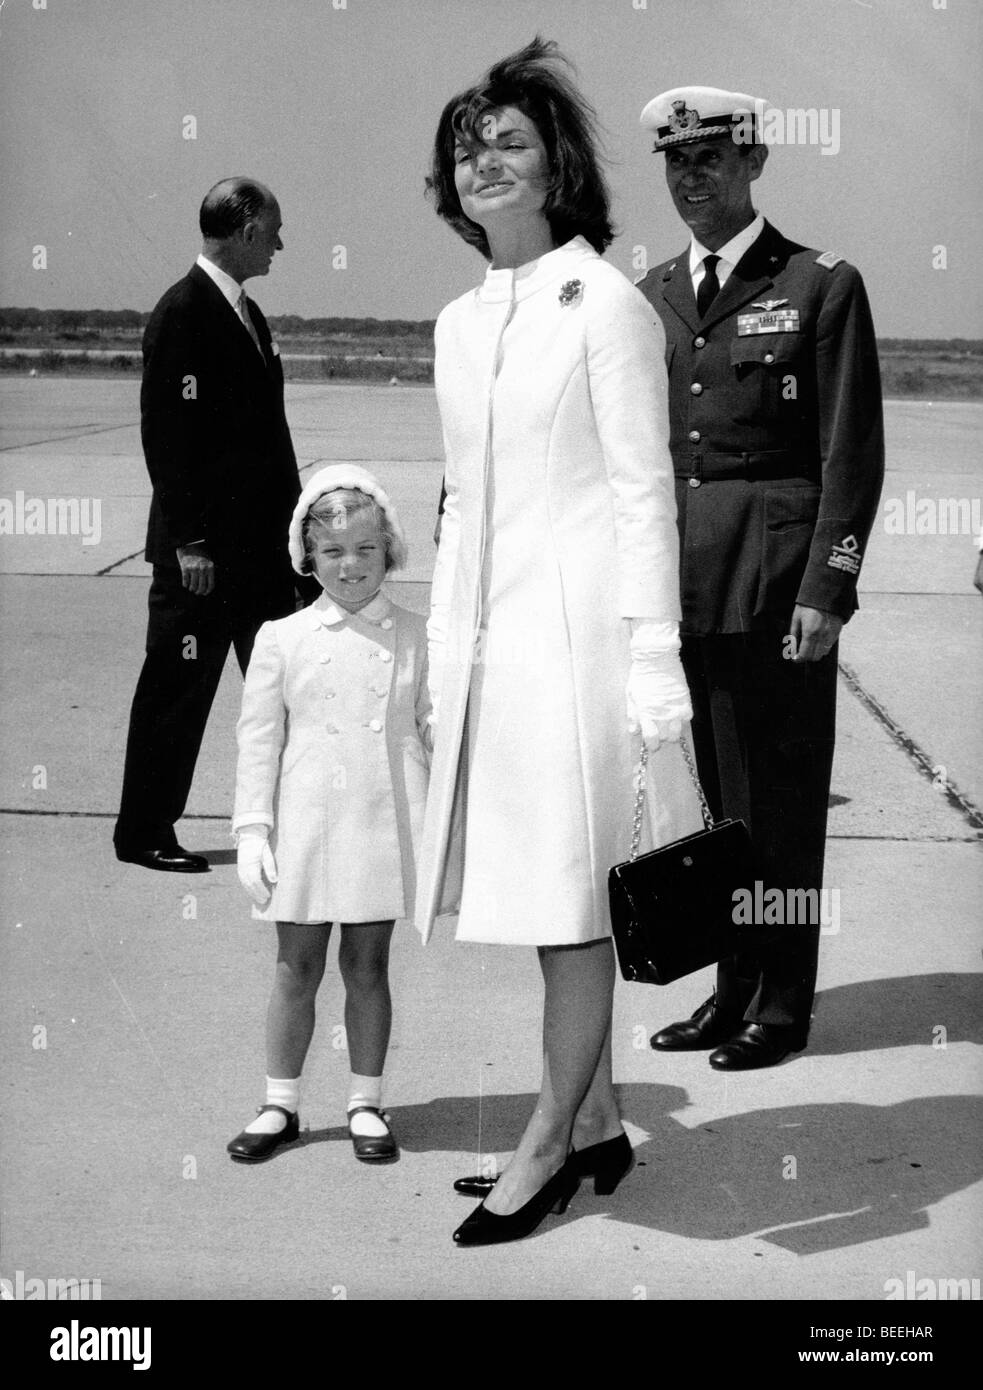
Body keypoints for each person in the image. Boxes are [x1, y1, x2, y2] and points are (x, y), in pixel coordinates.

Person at [416, 39, 700, 1246]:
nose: (485, 163)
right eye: (467, 148)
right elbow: (464, 504)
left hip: (582, 645)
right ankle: (595, 1124)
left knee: (573, 899)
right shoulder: (458, 319)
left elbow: (645, 494)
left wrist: (652, 664)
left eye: (509, 144)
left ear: (557, 168)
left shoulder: (607, 302)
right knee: (539, 895)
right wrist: (441, 656)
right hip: (492, 646)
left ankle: (543, 1142)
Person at [635, 88, 885, 1070]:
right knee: (713, 804)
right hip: (680, 590)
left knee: (778, 800)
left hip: (778, 588)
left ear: (752, 163)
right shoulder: (653, 291)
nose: (690, 178)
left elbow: (849, 455)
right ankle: (727, 983)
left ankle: (780, 1001)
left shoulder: (819, 285)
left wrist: (828, 588)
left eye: (709, 158)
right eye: (675, 161)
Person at [227, 465, 432, 1164]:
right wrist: (252, 829)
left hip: (380, 820)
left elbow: (431, 732)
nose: (350, 567)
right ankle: (279, 1104)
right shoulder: (280, 638)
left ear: (390, 552)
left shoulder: (415, 633)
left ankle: (365, 1102)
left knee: (368, 965)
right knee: (295, 965)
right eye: (333, 552)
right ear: (307, 556)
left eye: (366, 550)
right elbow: (259, 741)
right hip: (306, 822)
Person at [114, 178, 314, 873]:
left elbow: (268, 441)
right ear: (246, 230)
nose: (281, 245)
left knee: (282, 690)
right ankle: (142, 832)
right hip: (201, 561)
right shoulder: (183, 313)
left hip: (257, 558)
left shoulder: (245, 315)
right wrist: (188, 541)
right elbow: (165, 439)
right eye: (275, 230)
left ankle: (291, 826)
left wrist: (300, 541)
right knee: (177, 695)